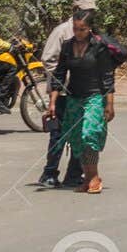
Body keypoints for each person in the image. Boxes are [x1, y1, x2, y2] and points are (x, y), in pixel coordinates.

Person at [48, 13, 119, 194]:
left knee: (90, 135)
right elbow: (60, 75)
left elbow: (107, 76)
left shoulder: (99, 47)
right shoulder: (67, 46)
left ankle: (94, 177)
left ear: (89, 29)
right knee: (77, 140)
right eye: (75, 29)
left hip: (94, 97)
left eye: (82, 29)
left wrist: (109, 104)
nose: (78, 33)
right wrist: (53, 102)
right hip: (74, 97)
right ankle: (87, 178)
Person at [38, 0, 97, 189]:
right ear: (75, 10)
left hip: (82, 93)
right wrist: (64, 80)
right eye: (85, 11)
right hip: (62, 93)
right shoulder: (62, 31)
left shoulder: (90, 32)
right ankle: (49, 173)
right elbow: (49, 59)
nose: (89, 14)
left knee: (80, 135)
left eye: (91, 12)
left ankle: (74, 174)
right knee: (58, 134)